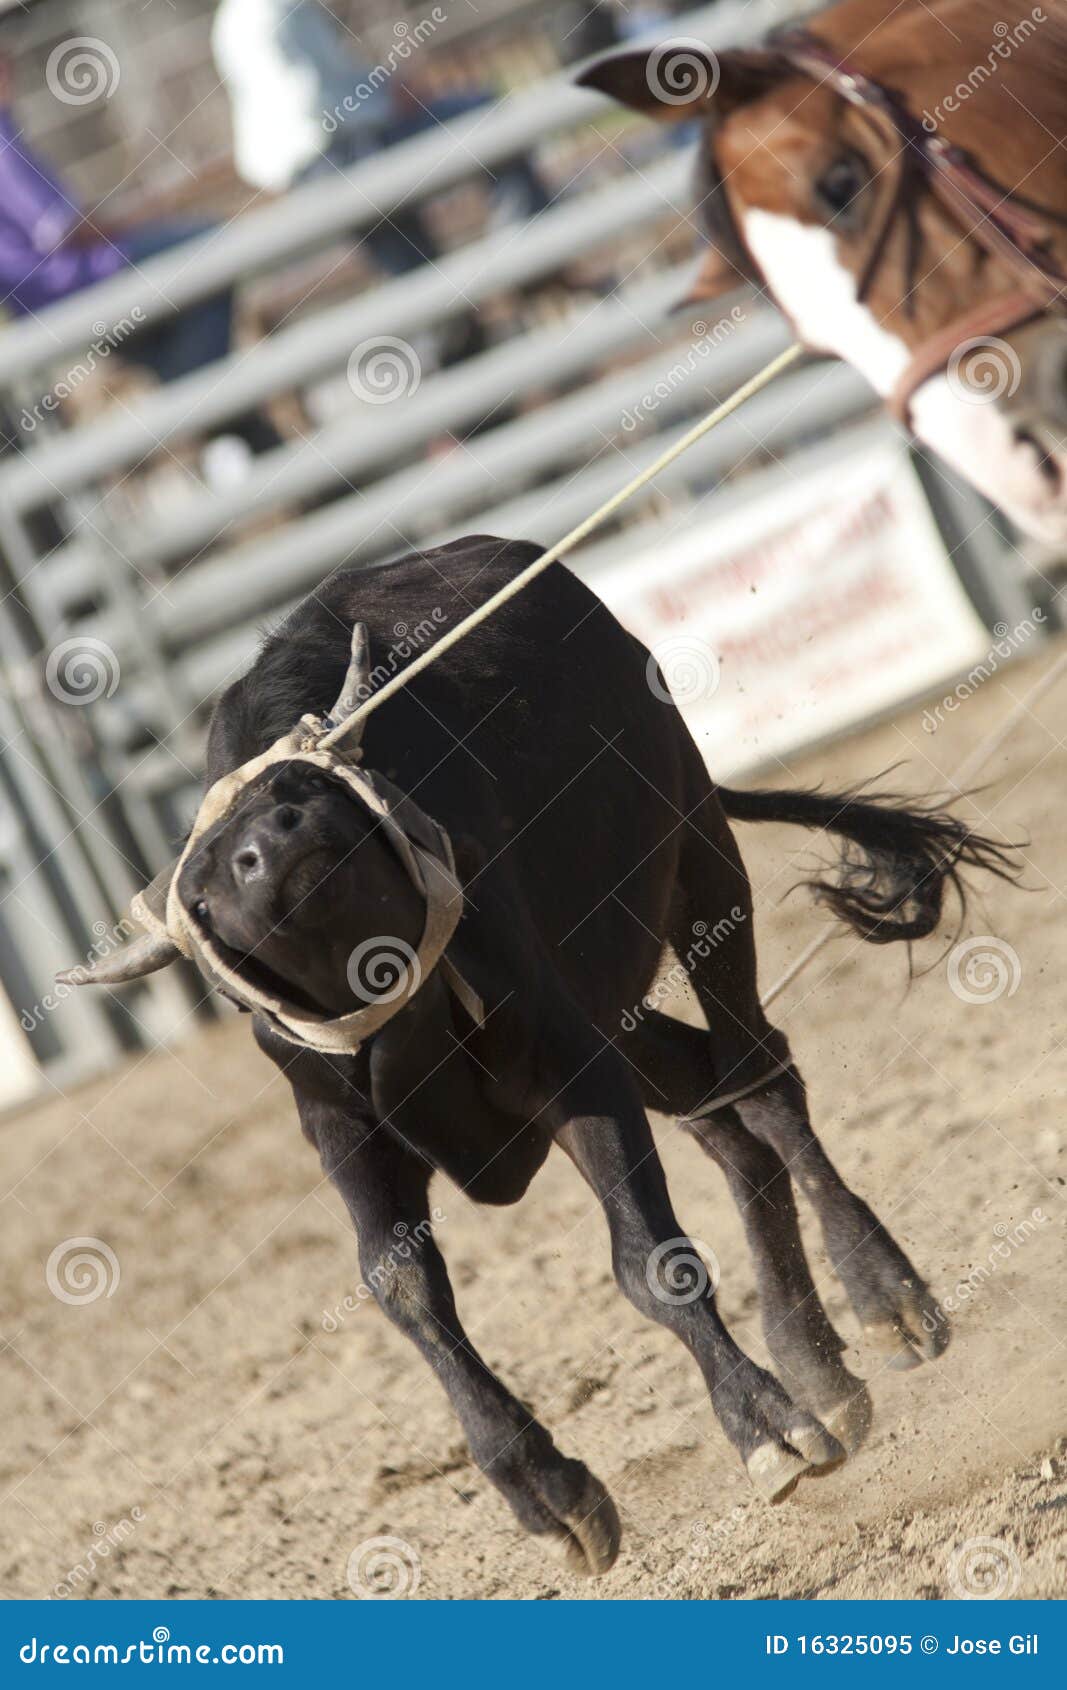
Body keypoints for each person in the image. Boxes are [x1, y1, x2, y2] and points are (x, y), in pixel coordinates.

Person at [0, 50, 280, 458]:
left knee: (180, 340)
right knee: (209, 242)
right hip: (85, 281)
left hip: (57, 298)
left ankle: (217, 420)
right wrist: (144, 211)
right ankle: (202, 405)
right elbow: (62, 230)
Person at [211, 0, 551, 279]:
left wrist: (383, 93)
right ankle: (529, 255)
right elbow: (319, 103)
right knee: (481, 115)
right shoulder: (276, 9)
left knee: (409, 262)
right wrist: (389, 100)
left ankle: (452, 332)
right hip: (340, 153)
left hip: (310, 169)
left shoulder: (233, 19)